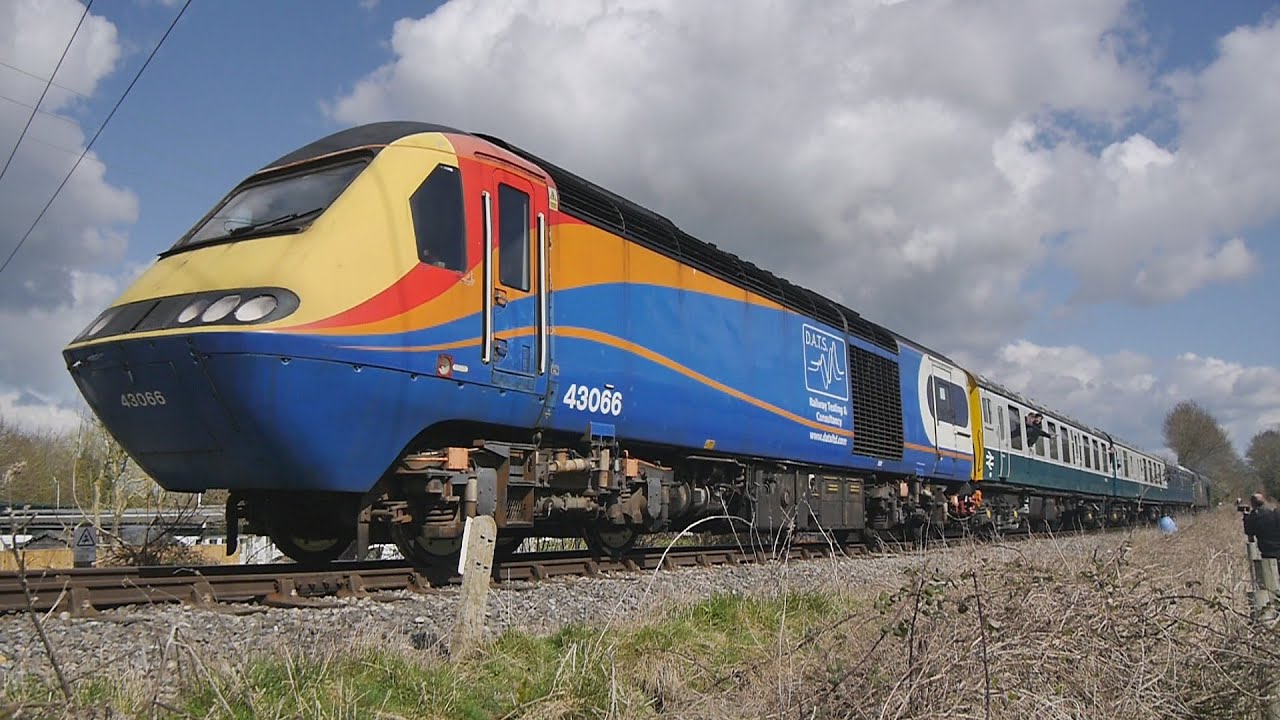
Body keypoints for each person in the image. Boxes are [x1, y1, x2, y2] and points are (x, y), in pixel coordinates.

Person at [1243, 493, 1280, 559]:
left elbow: (1249, 534)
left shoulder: (1254, 518)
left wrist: (1246, 517)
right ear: (1264, 502)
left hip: (1267, 553)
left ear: (1252, 504)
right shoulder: (1275, 513)